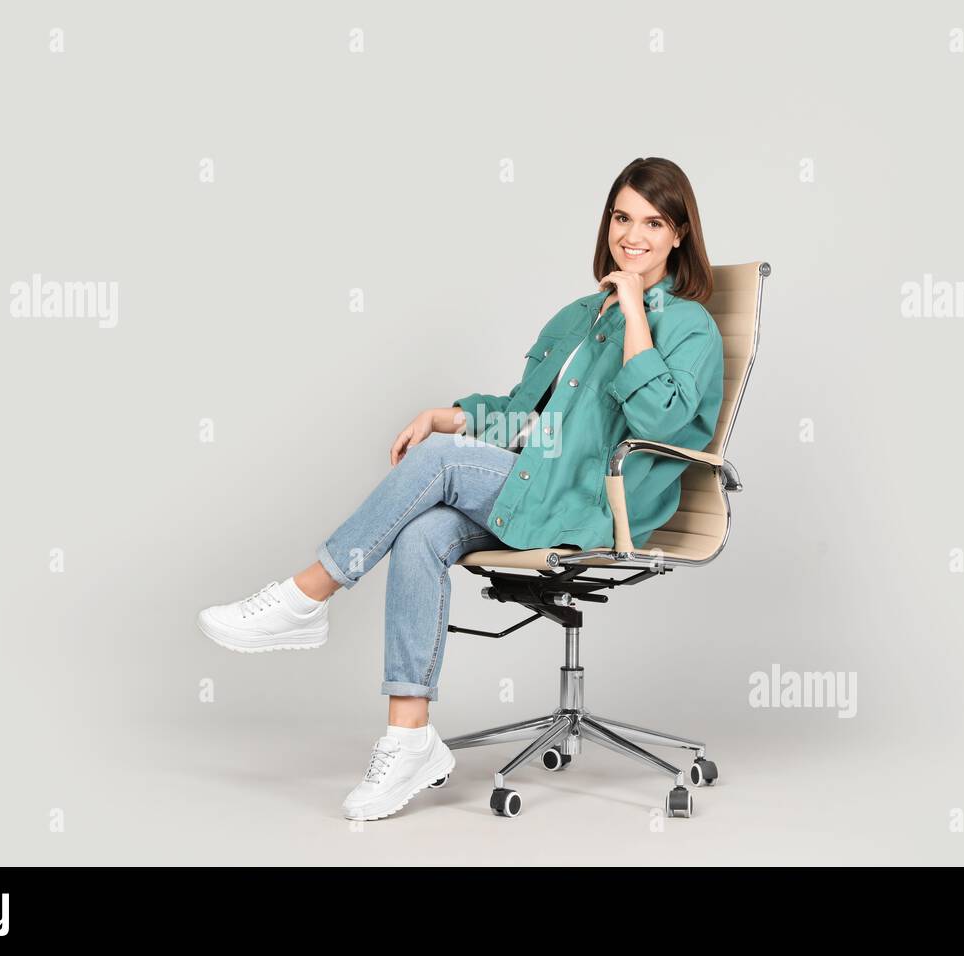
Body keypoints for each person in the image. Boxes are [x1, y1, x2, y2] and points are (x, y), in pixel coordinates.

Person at [196, 157, 725, 821]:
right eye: (622, 217)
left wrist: (632, 307)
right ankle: (409, 738)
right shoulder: (580, 317)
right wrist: (450, 415)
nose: (633, 234)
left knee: (443, 462)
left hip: (597, 505)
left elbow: (662, 421)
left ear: (679, 234)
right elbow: (526, 414)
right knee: (424, 530)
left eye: (652, 222)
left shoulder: (689, 326)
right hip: (541, 485)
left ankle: (307, 595)